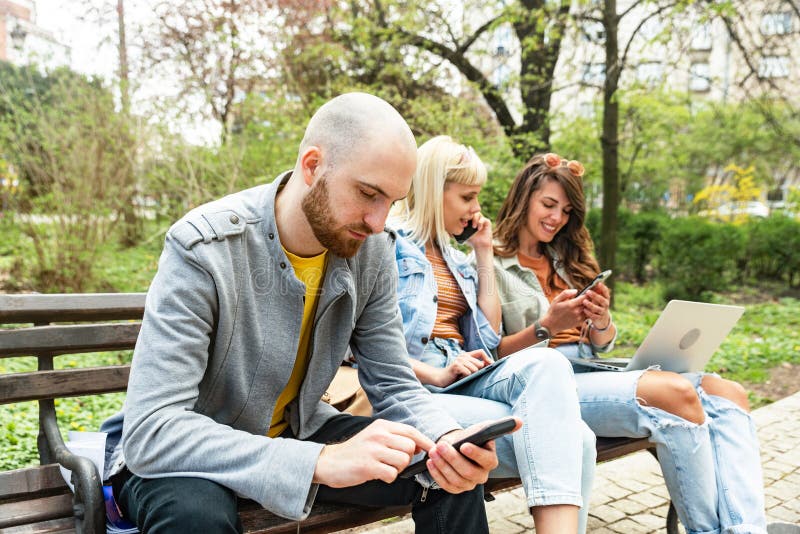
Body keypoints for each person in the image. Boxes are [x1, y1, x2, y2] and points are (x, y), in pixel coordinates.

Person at [98, 93, 509, 533]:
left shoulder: (373, 252)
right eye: (368, 193)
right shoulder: (204, 249)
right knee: (195, 515)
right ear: (312, 165)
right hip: (189, 452)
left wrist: (447, 441)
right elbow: (154, 430)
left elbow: (393, 384)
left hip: (298, 433)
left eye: (391, 201)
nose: (377, 220)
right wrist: (319, 461)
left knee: (445, 475)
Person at [492, 152, 768, 534]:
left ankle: (747, 529)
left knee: (728, 392)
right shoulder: (489, 262)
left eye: (567, 210)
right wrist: (547, 327)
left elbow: (601, 344)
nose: (557, 218)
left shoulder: (564, 256)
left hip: (594, 368)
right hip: (545, 384)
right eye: (549, 205)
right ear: (523, 199)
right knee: (676, 395)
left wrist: (601, 320)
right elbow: (490, 354)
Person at [389, 135, 596, 534]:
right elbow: (359, 347)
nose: (476, 208)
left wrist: (483, 252)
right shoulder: (388, 244)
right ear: (434, 191)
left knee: (550, 367)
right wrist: (437, 373)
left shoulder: (454, 256)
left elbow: (486, 341)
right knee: (577, 439)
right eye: (467, 196)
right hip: (417, 384)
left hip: (465, 375)